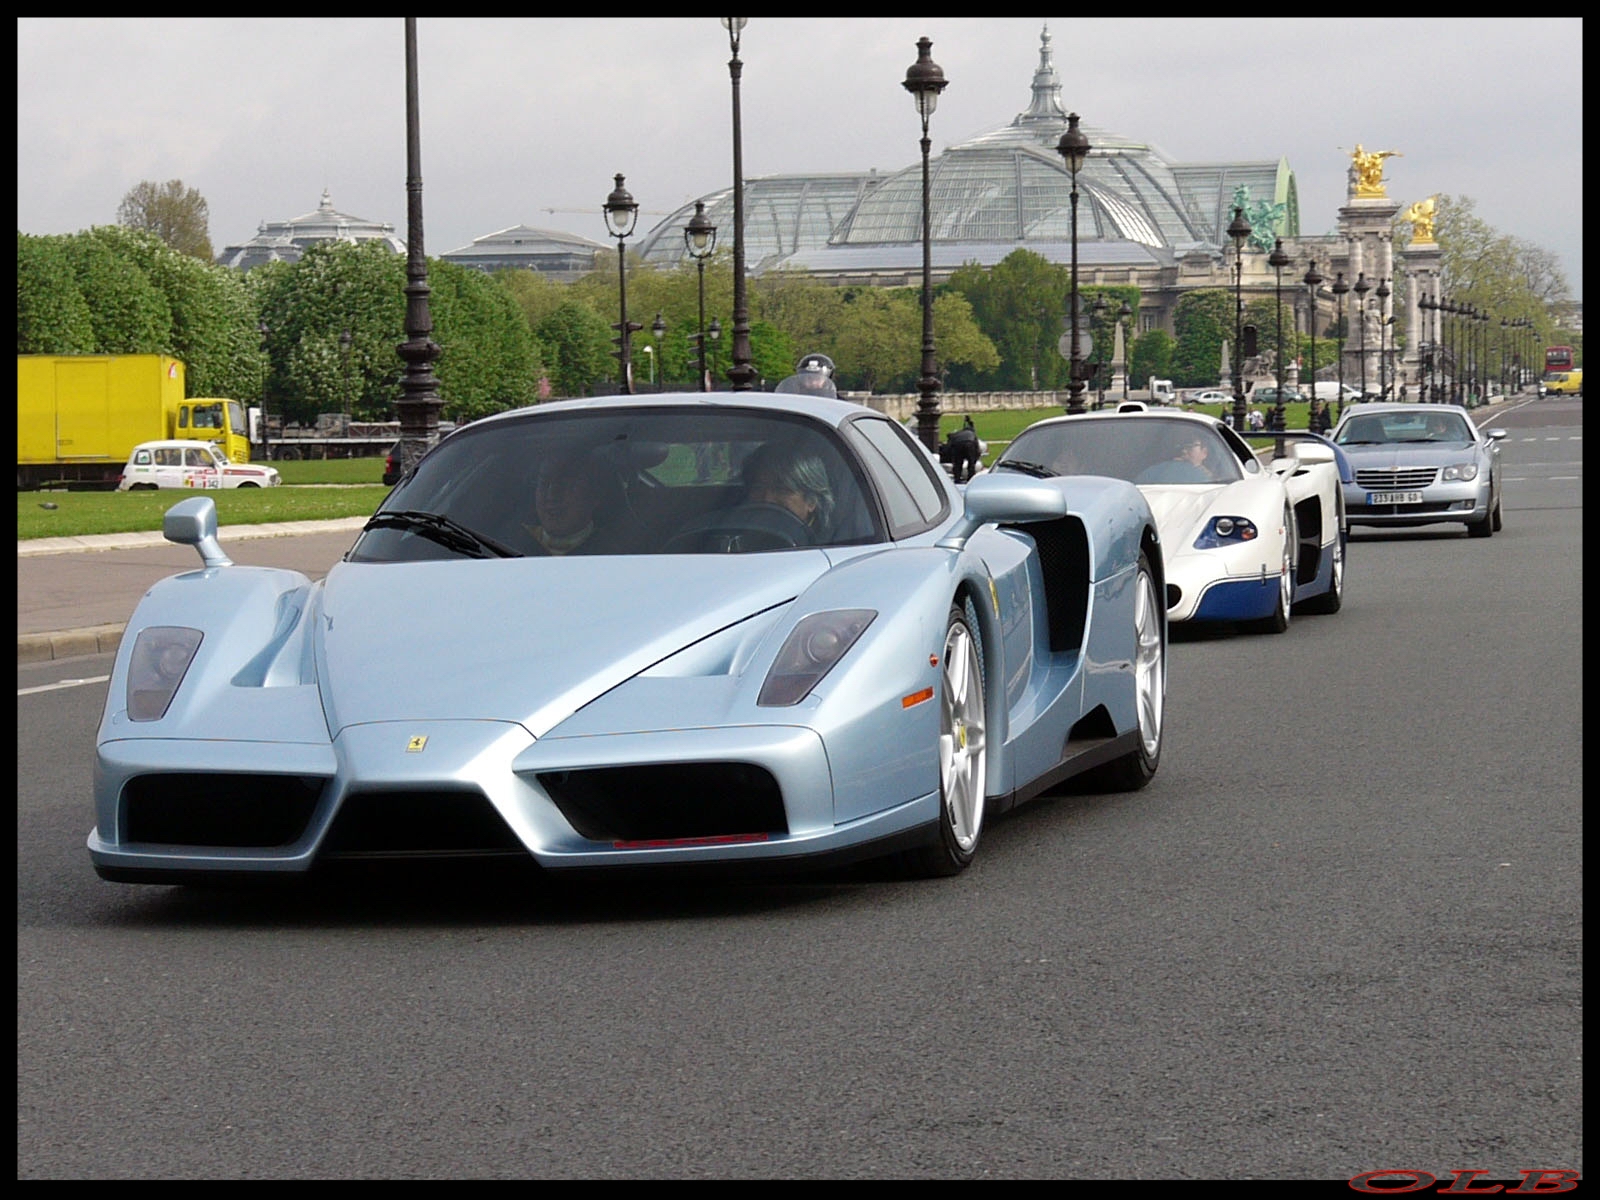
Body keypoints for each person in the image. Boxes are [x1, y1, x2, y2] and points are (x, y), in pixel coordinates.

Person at [522, 450, 635, 556]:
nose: (552, 495)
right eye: (544, 483)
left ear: (595, 496)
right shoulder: (510, 543)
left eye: (566, 485)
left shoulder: (619, 555)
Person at [739, 441, 835, 540]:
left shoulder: (830, 545)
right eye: (758, 488)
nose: (767, 498)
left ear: (811, 501)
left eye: (781, 490)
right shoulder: (734, 534)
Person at [773, 353, 838, 398]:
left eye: (817, 379)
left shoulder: (838, 402)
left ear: (827, 380)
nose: (813, 382)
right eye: (809, 378)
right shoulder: (791, 397)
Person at [941, 416, 983, 484]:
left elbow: (949, 447)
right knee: (971, 463)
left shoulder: (957, 434)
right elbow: (976, 447)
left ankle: (957, 479)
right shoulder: (972, 434)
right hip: (969, 444)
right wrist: (976, 457)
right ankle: (970, 479)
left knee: (958, 463)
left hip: (958, 445)